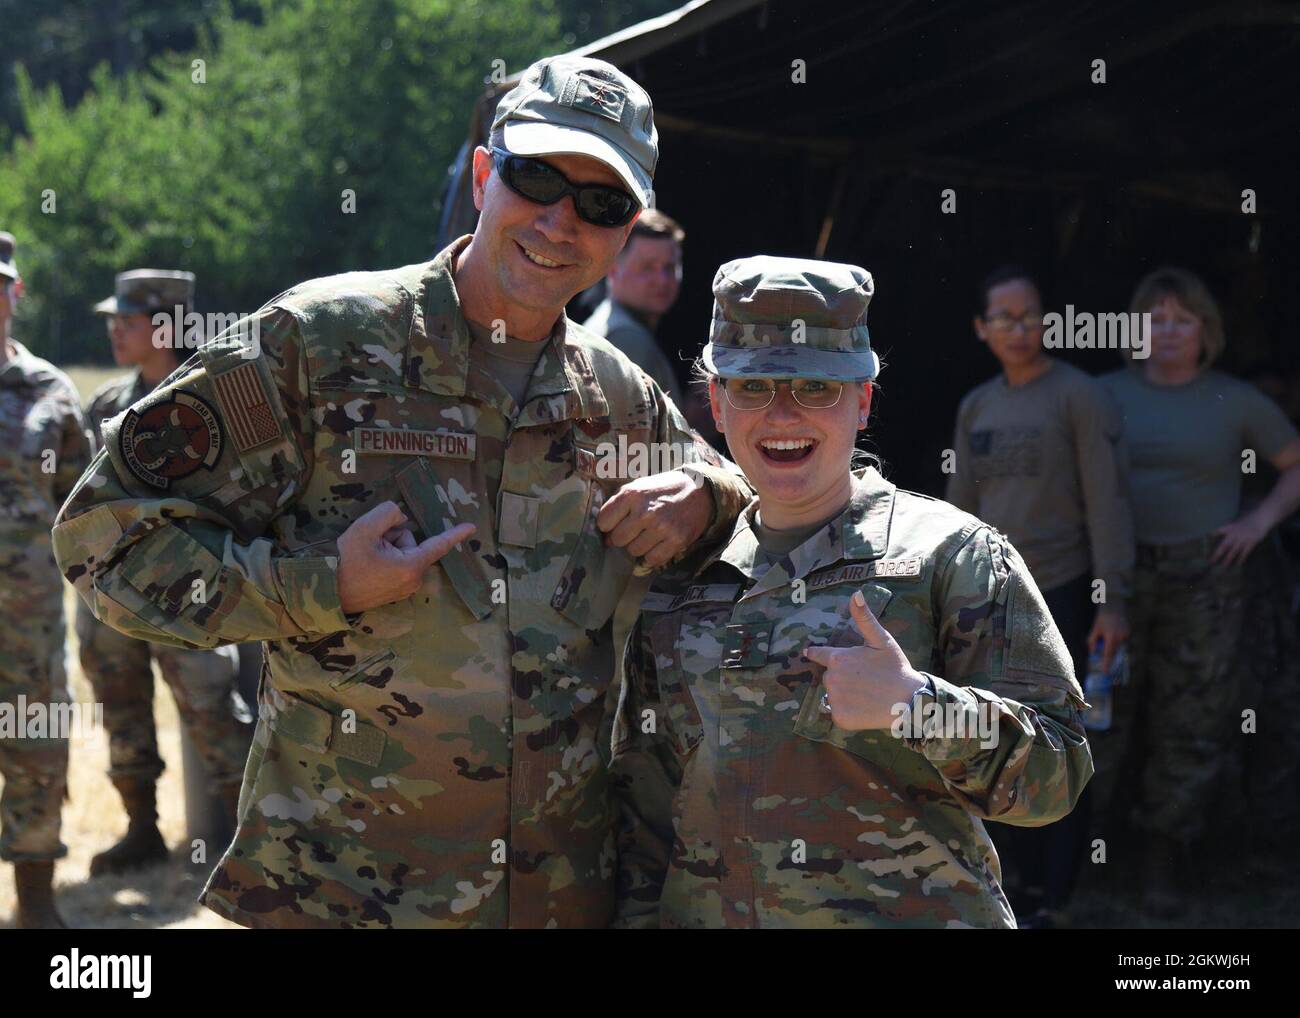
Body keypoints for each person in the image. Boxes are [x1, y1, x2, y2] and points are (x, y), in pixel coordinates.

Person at [53, 54, 751, 929]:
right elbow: (104, 535)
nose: (560, 221)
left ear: (626, 229)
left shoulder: (617, 396)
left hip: (553, 899)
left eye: (601, 203)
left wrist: (707, 490)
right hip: (344, 897)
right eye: (537, 178)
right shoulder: (321, 343)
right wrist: (318, 588)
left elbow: (740, 503)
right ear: (487, 175)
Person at [610, 256, 1092, 928]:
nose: (783, 414)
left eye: (815, 386)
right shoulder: (682, 577)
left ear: (863, 400)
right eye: (753, 387)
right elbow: (647, 814)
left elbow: (1059, 771)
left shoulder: (948, 555)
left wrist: (920, 708)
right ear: (716, 403)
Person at [1096, 266, 1300, 917]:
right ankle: (1084, 851)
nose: (1170, 330)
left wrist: (1258, 523)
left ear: (1206, 330)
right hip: (1117, 580)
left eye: (1183, 319)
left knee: (1191, 721)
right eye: (1157, 318)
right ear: (1136, 327)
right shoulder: (1099, 396)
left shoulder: (1235, 401)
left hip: (1204, 580)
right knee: (1102, 714)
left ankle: (1164, 858)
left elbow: (1294, 465)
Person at [945, 266, 1134, 927]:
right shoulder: (977, 406)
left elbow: (1107, 501)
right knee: (993, 739)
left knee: (1060, 740)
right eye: (1004, 317)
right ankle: (1011, 884)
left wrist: (1112, 601)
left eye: (1030, 315)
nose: (1019, 328)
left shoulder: (1076, 396)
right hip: (991, 598)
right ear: (981, 329)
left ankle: (1054, 894)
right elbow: (960, 511)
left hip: (1064, 589)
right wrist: (946, 588)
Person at [76, 269, 252, 876]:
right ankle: (142, 830)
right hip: (113, 590)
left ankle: (240, 848)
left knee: (213, 710)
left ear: (168, 326)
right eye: (112, 321)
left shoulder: (216, 396)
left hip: (192, 591)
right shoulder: (105, 405)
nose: (115, 331)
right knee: (120, 707)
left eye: (128, 320)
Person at [0, 231, 93, 926]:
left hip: (28, 615)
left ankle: (35, 897)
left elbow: (84, 497)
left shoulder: (50, 390)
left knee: (37, 744)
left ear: (16, 292)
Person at [583, 208, 686, 407]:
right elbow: (635, 434)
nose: (662, 280)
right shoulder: (627, 338)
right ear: (612, 269)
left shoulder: (608, 325)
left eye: (670, 267)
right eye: (647, 267)